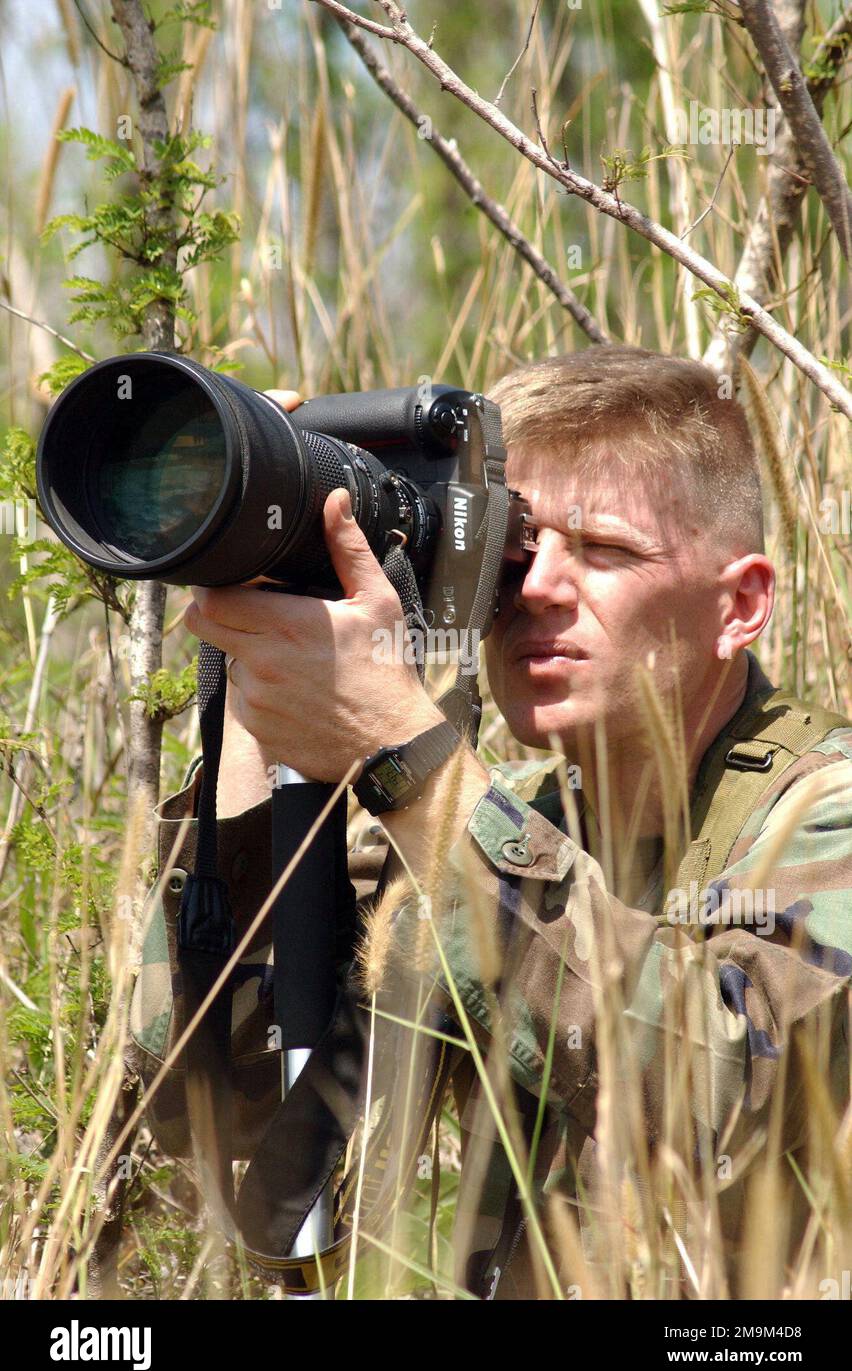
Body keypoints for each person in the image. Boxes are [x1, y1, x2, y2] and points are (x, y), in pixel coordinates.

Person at [136, 346, 852, 1299]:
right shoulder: (500, 818)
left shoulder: (824, 810)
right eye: (514, 546)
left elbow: (722, 1094)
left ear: (741, 604)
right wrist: (257, 676)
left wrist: (411, 762)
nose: (539, 589)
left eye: (603, 551)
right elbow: (200, 1100)